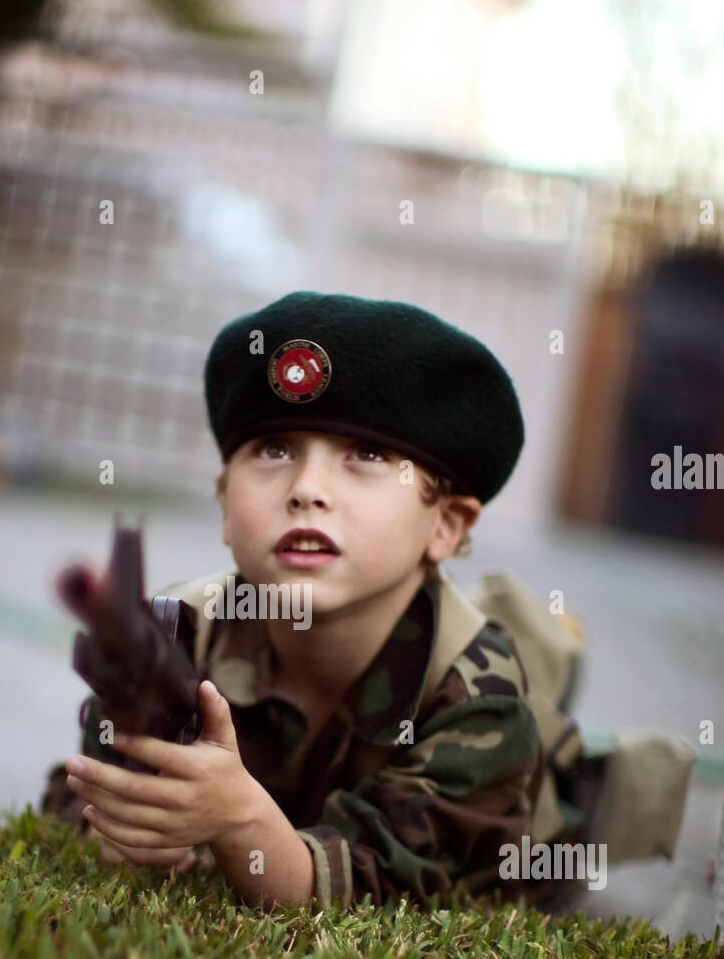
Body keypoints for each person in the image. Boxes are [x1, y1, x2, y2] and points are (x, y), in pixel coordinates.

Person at [41, 289, 596, 912]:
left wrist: (241, 822)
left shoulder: (475, 694)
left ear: (446, 526)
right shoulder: (179, 631)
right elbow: (78, 792)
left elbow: (393, 886)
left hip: (521, 811)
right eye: (274, 451)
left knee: (548, 705)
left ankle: (559, 653)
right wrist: (128, 825)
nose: (307, 489)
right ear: (225, 505)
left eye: (368, 455)